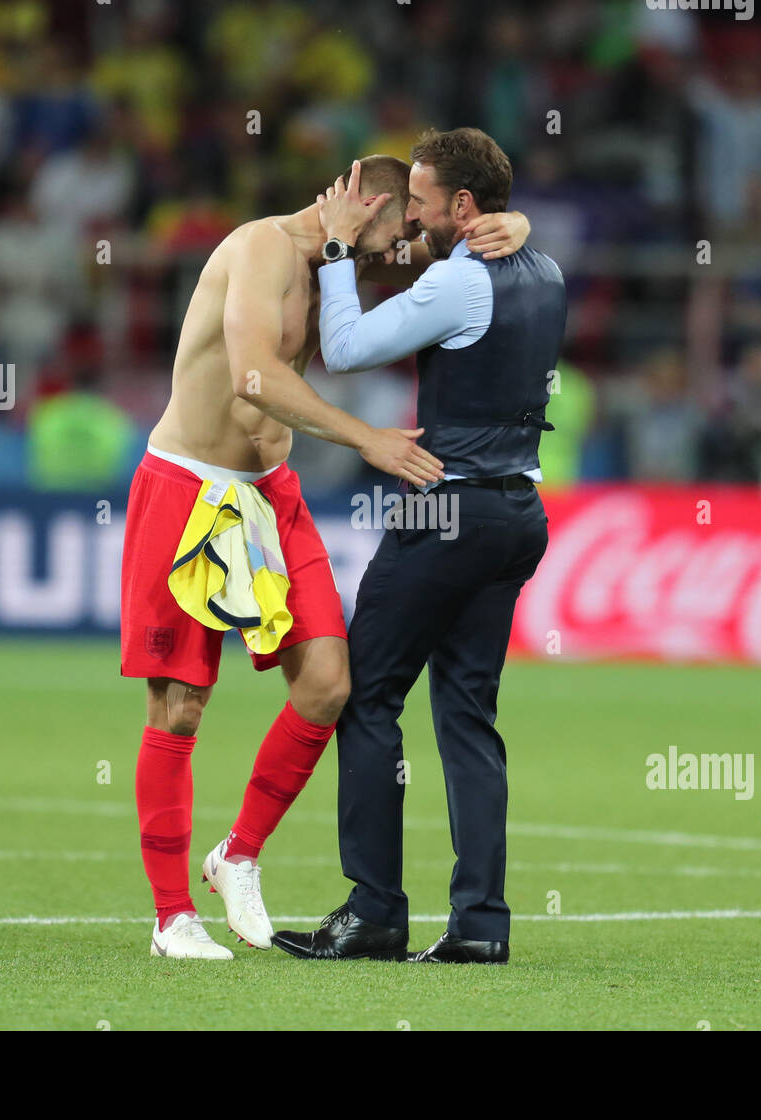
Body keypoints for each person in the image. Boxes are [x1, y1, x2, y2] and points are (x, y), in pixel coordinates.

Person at [120, 153, 530, 959]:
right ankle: (172, 916)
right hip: (190, 488)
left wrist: (519, 225)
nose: (406, 241)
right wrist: (366, 440)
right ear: (365, 202)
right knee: (180, 707)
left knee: (329, 685)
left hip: (272, 494)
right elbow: (251, 376)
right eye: (401, 222)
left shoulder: (341, 259)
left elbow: (467, 235)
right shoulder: (261, 248)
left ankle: (237, 853)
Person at [272, 128, 567, 965]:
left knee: (365, 697)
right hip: (518, 513)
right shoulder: (544, 272)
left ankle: (374, 913)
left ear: (465, 207)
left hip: (448, 511)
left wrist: (334, 250)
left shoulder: (458, 281)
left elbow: (348, 348)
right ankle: (480, 925)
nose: (415, 215)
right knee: (469, 717)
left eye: (425, 201)